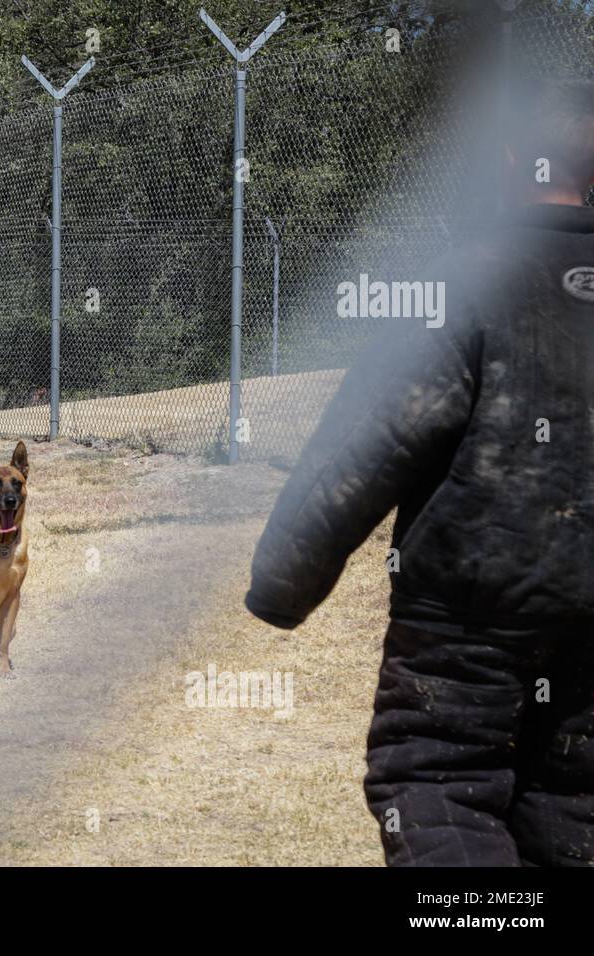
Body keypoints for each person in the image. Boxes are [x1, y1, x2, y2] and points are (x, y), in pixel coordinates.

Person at [244, 77, 594, 865]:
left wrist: (282, 585)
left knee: (440, 787)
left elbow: (366, 446)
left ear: (507, 162)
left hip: (467, 621)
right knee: (575, 806)